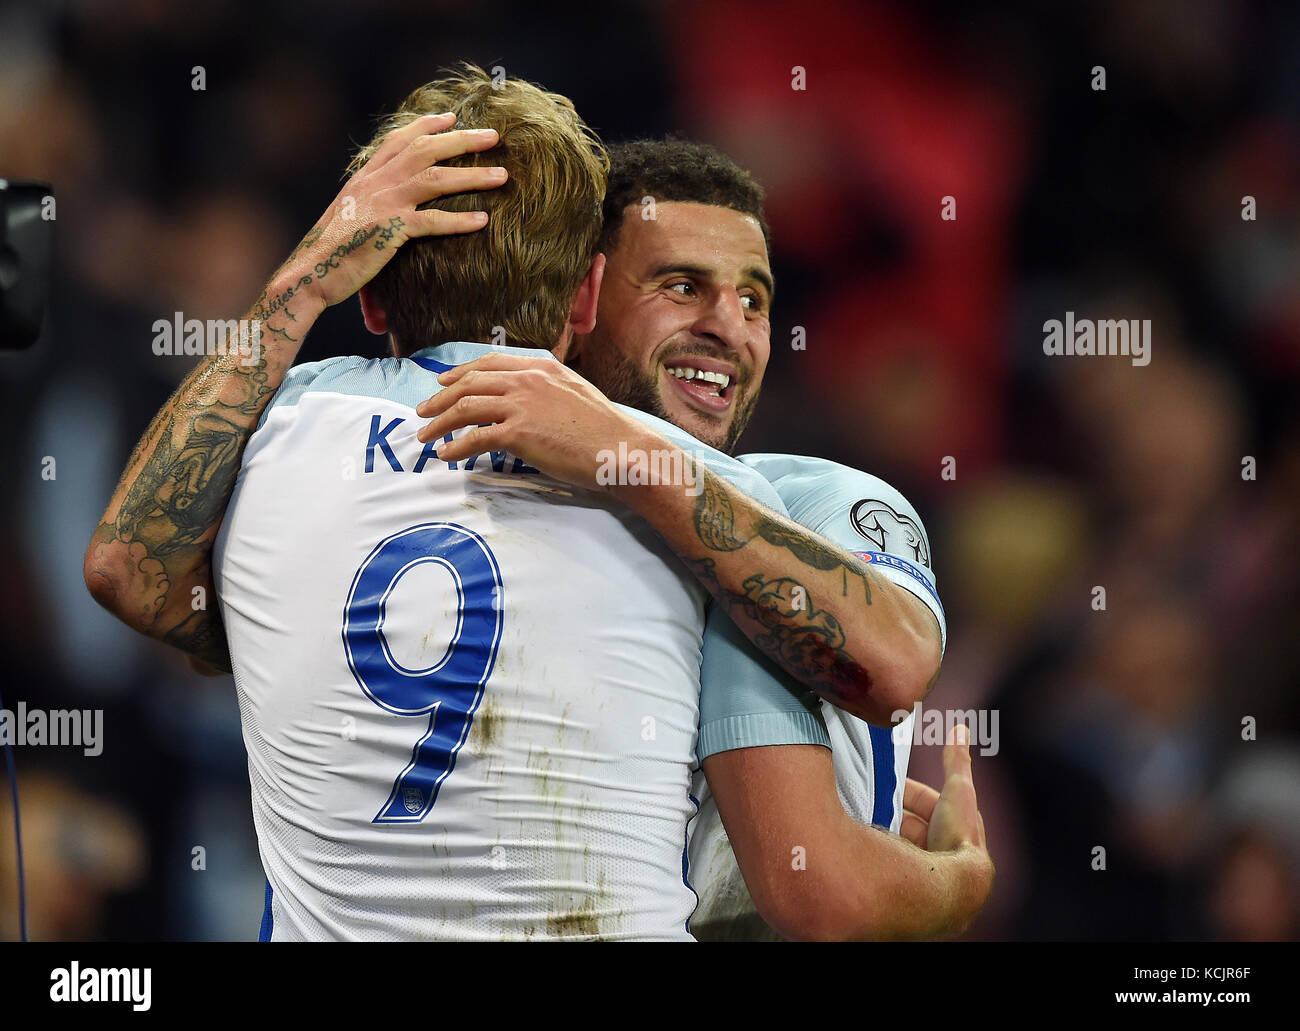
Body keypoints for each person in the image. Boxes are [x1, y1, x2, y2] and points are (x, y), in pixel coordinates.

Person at [86, 66, 990, 939]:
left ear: (367, 296)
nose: (725, 323)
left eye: (754, 297)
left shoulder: (274, 430)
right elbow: (887, 687)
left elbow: (129, 572)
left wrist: (301, 278)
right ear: (587, 296)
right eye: (680, 286)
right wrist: (957, 883)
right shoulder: (703, 497)